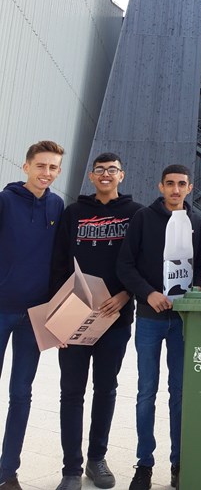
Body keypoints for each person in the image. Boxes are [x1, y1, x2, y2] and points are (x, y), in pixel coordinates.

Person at [49, 152, 143, 490]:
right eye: (100, 170)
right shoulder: (73, 212)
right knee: (71, 392)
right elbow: (59, 265)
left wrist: (126, 295)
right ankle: (71, 469)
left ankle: (96, 459)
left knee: (106, 389)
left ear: (122, 175)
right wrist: (56, 321)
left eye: (112, 170)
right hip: (75, 317)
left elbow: (142, 263)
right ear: (91, 176)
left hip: (115, 318)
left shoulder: (135, 214)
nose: (106, 174)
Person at [117, 164, 201, 490]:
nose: (175, 189)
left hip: (182, 319)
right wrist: (148, 293)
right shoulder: (143, 218)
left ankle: (179, 463)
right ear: (160, 186)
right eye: (170, 184)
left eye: (181, 184)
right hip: (150, 318)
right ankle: (144, 464)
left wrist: (197, 289)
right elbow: (125, 265)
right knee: (146, 392)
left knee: (180, 393)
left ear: (190, 187)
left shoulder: (198, 222)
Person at [0, 141, 65, 490]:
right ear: (26, 167)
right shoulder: (5, 201)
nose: (47, 173)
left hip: (34, 316)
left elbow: (58, 260)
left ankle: (8, 471)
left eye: (53, 167)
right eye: (41, 165)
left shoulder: (57, 205)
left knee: (21, 394)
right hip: (0, 309)